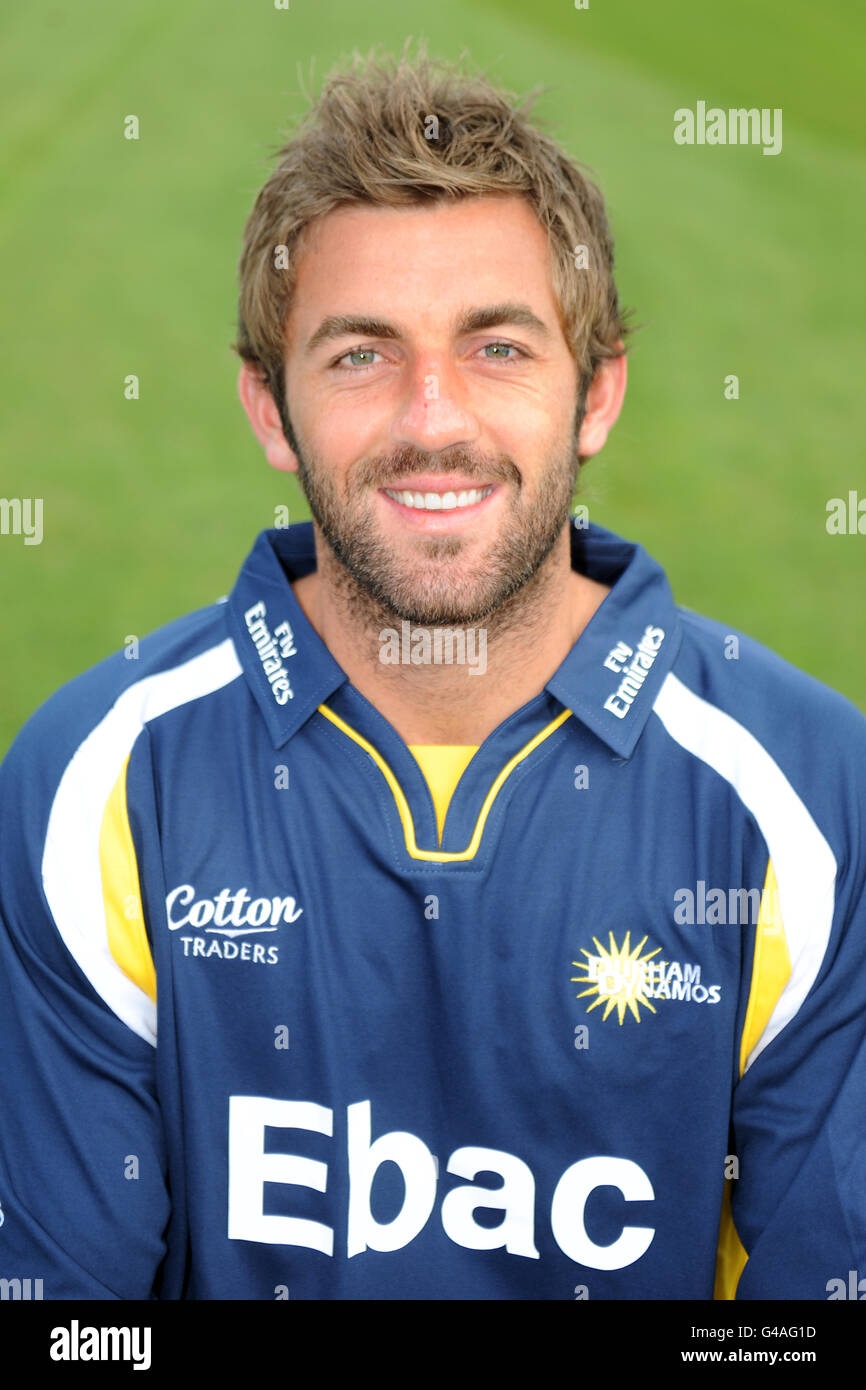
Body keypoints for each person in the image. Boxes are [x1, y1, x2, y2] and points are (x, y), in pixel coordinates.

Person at [0, 45, 863, 1303]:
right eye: (359, 354)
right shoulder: (98, 782)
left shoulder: (806, 791)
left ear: (597, 390)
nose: (431, 418)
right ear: (266, 408)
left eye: (497, 347)